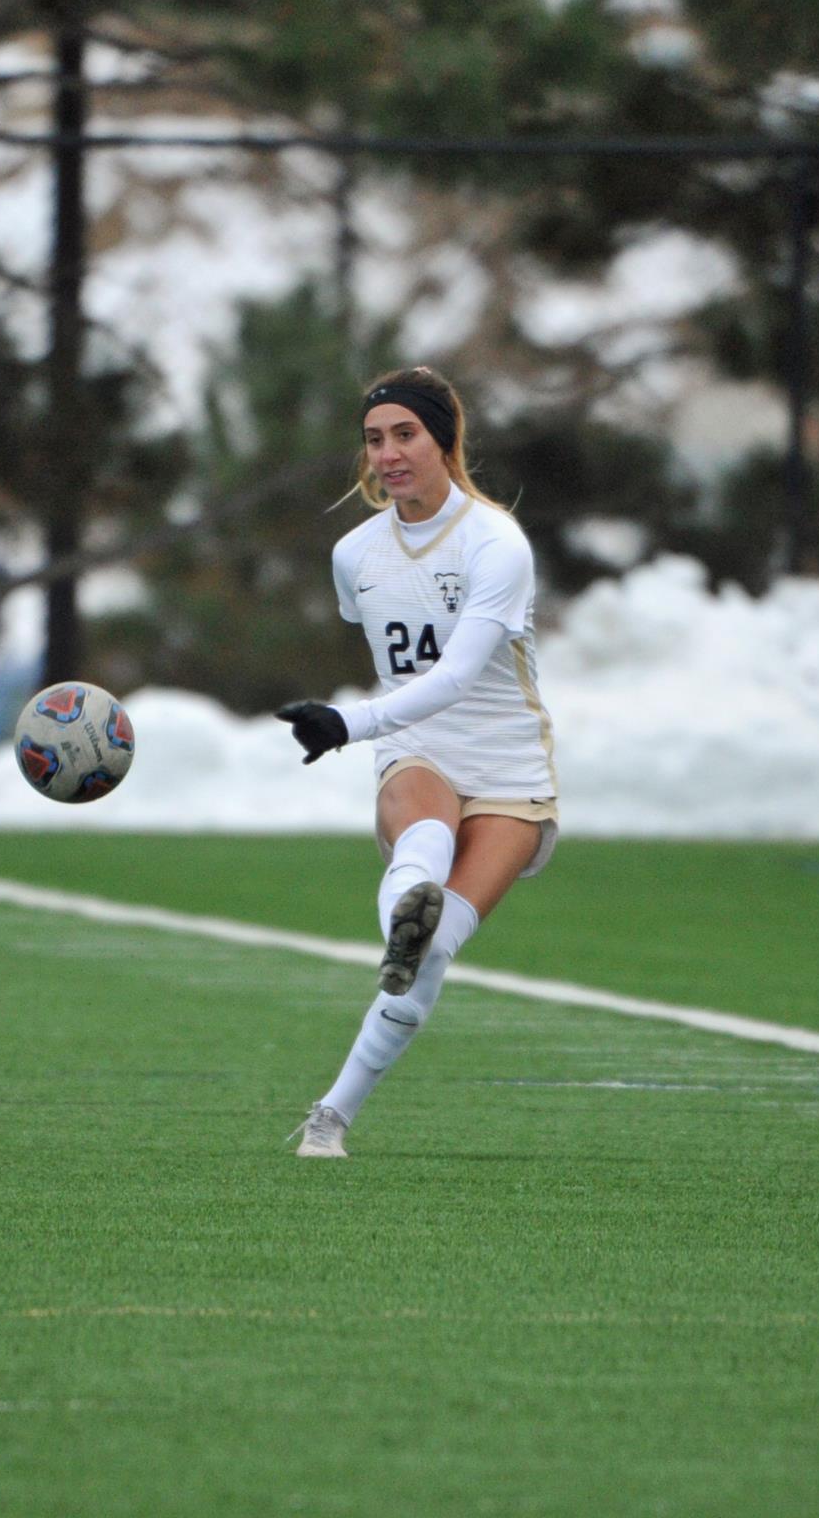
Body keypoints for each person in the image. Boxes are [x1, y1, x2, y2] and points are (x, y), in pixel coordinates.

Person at [277, 365, 558, 1159]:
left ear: (445, 440)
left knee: (433, 953)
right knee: (421, 845)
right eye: (374, 440)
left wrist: (348, 722)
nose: (389, 454)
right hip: (418, 748)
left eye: (406, 434)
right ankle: (408, 912)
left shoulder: (496, 542)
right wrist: (369, 728)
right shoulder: (354, 553)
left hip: (508, 766)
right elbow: (409, 680)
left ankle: (333, 1113)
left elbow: (457, 678)